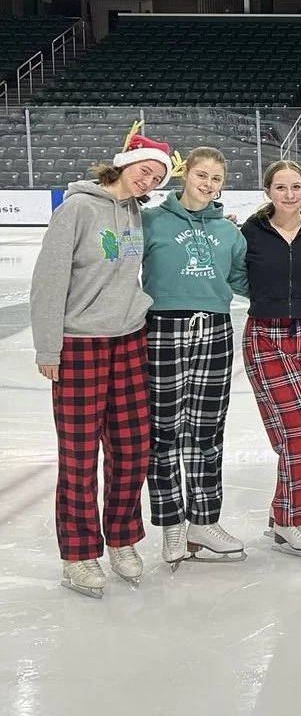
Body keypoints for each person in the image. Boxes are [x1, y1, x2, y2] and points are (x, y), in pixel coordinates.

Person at [30, 126, 176, 598]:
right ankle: (78, 553)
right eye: (144, 171)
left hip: (129, 341)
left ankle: (123, 539)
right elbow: (48, 281)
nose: (148, 181)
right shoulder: (77, 209)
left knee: (133, 450)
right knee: (78, 457)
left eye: (156, 177)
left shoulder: (135, 212)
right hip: (79, 345)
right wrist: (48, 347)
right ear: (124, 163)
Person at [142, 146, 250, 567]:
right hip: (163, 329)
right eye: (202, 175)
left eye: (217, 179)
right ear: (186, 175)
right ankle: (171, 524)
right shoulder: (151, 221)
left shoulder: (229, 232)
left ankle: (203, 522)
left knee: (206, 430)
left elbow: (244, 279)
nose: (208, 185)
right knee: (163, 430)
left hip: (215, 330)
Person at [240, 160, 301, 559]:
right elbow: (234, 275)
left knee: (300, 433)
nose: (289, 194)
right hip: (266, 335)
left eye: (296, 186)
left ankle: (281, 516)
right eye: (281, 187)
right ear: (268, 192)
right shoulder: (250, 233)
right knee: (298, 431)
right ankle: (297, 520)